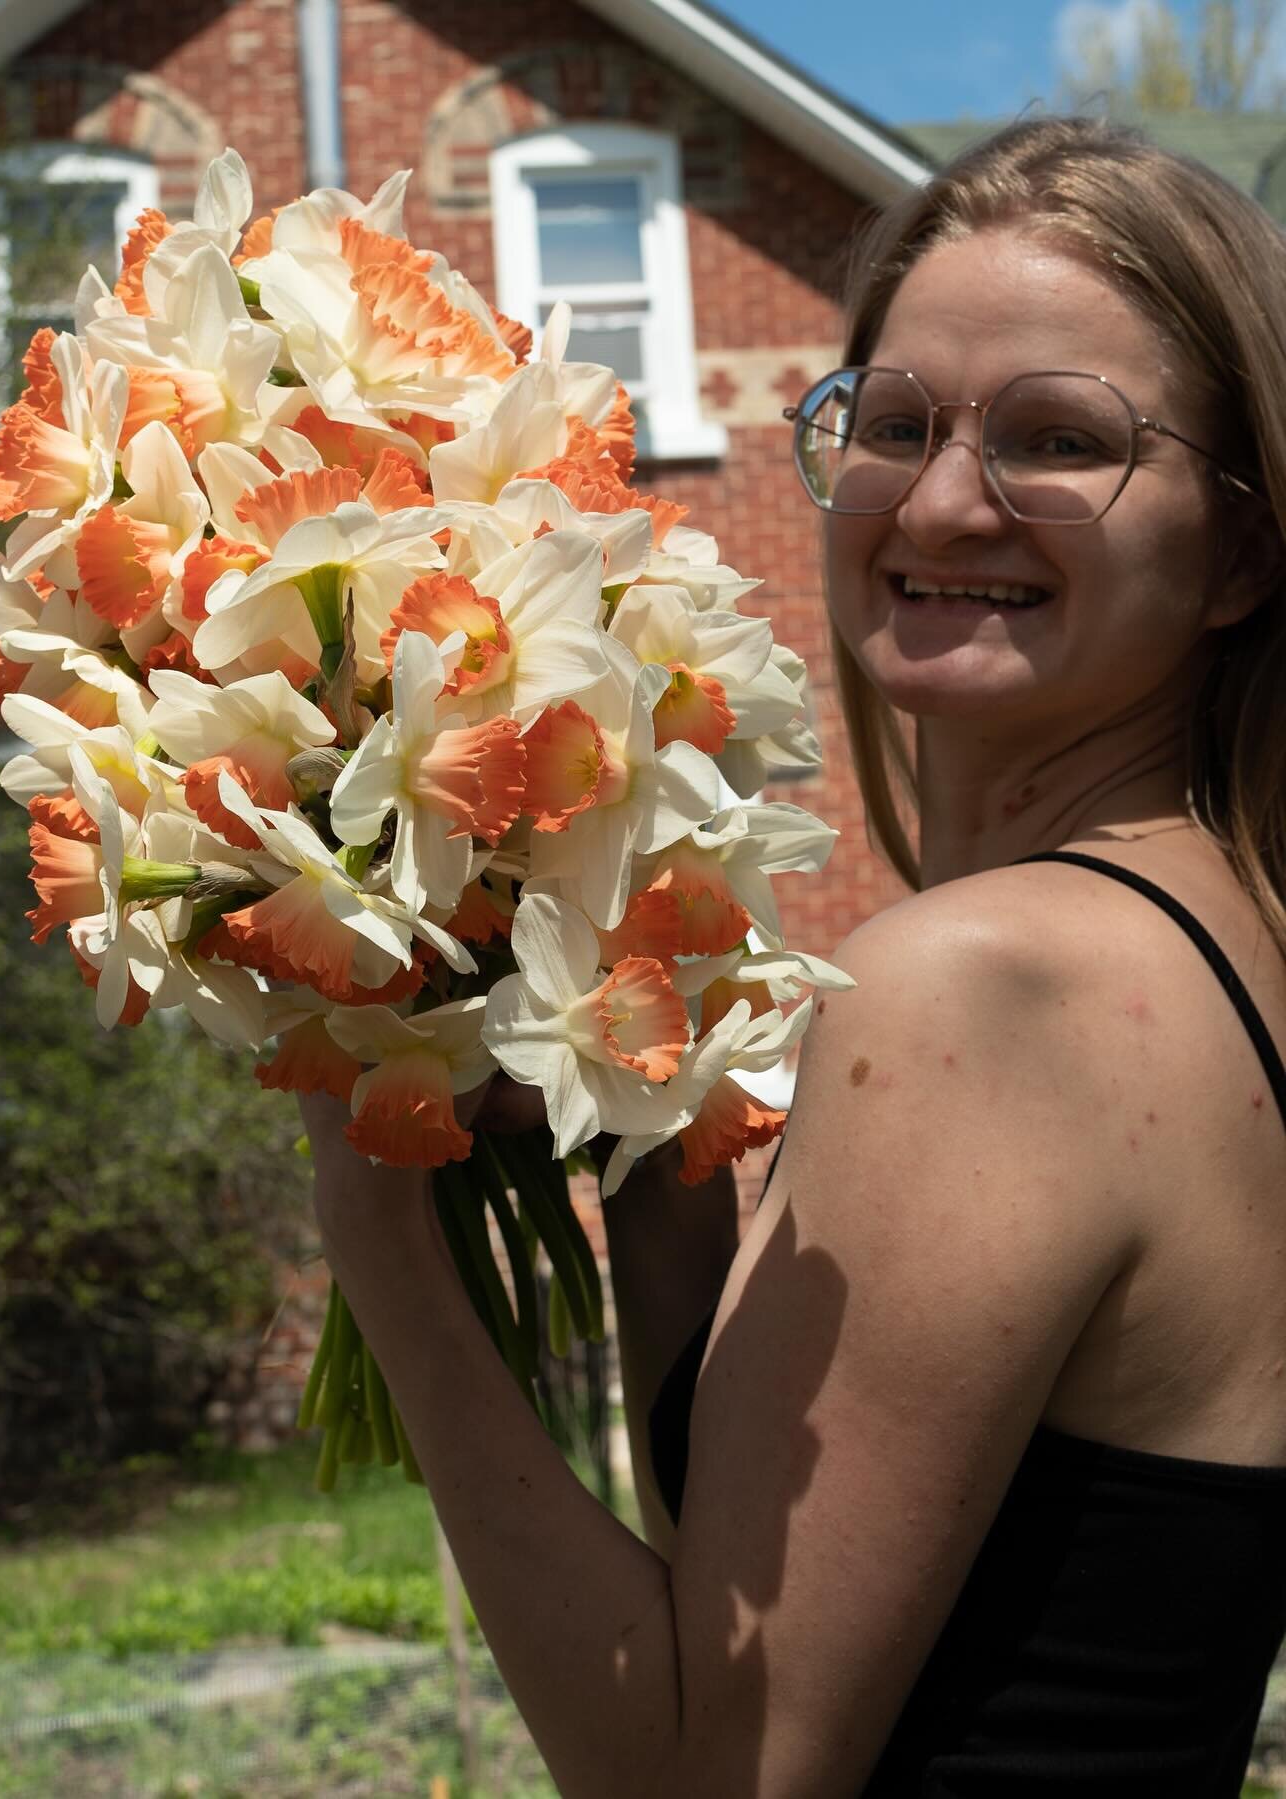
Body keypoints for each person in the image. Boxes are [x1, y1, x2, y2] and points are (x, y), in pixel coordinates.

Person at [297, 116, 1286, 1796]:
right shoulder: (1228, 945)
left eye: (1061, 439)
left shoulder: (980, 986)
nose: (945, 496)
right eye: (892, 423)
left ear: (1242, 550)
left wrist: (375, 1229)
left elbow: (706, 1774)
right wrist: (657, 1134)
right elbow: (779, 1581)